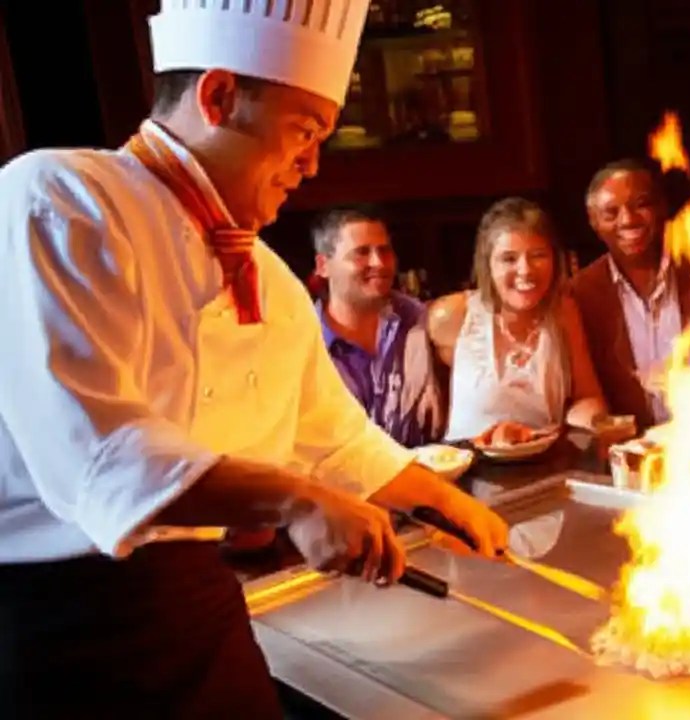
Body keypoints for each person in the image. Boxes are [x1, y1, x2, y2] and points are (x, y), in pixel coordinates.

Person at [0, 3, 506, 717]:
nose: (312, 163)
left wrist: (444, 500)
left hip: (195, 604)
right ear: (219, 97)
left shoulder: (267, 274)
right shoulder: (61, 199)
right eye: (305, 132)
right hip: (58, 625)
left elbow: (334, 438)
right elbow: (98, 453)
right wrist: (294, 499)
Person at [429, 197, 611, 441]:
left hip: (544, 464)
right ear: (487, 264)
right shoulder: (452, 314)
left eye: (538, 255)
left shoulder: (563, 312)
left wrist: (589, 426)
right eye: (509, 259)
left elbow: (587, 396)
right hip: (469, 470)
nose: (525, 270)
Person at [571, 158, 690, 430]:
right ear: (594, 222)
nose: (628, 220)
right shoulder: (580, 294)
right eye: (611, 213)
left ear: (662, 207)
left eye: (641, 205)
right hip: (634, 454)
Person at [313, 206, 445, 446]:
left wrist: (437, 377)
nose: (379, 263)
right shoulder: (304, 341)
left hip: (423, 474)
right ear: (323, 266)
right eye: (361, 253)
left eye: (384, 251)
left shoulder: (418, 320)